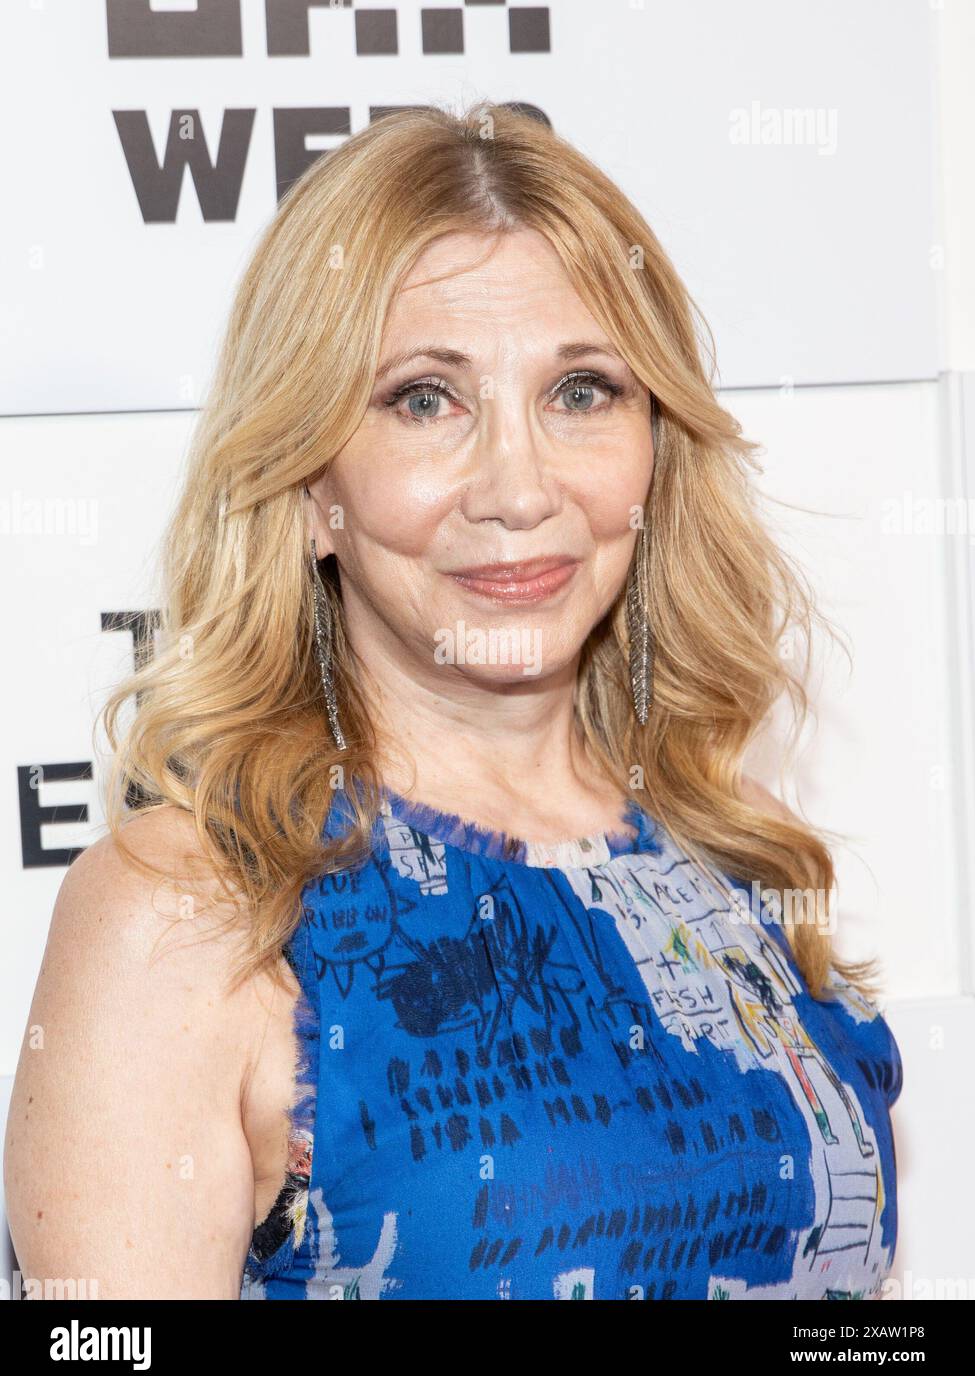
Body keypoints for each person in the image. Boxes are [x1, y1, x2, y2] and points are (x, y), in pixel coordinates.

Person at [3, 102, 903, 1300]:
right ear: (310, 483)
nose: (518, 487)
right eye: (425, 399)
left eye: (582, 391)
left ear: (654, 447)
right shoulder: (190, 914)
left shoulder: (724, 846)